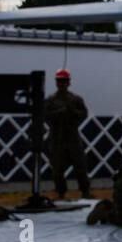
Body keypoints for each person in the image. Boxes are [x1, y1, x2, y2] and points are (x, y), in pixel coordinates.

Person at [43, 68, 90, 198]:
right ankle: (61, 192)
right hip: (57, 136)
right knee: (57, 167)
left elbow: (83, 114)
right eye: (59, 81)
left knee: (80, 165)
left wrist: (72, 112)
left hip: (72, 136)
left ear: (68, 82)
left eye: (64, 81)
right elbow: (46, 116)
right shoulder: (51, 100)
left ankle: (85, 191)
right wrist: (60, 113)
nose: (61, 83)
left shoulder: (75, 99)